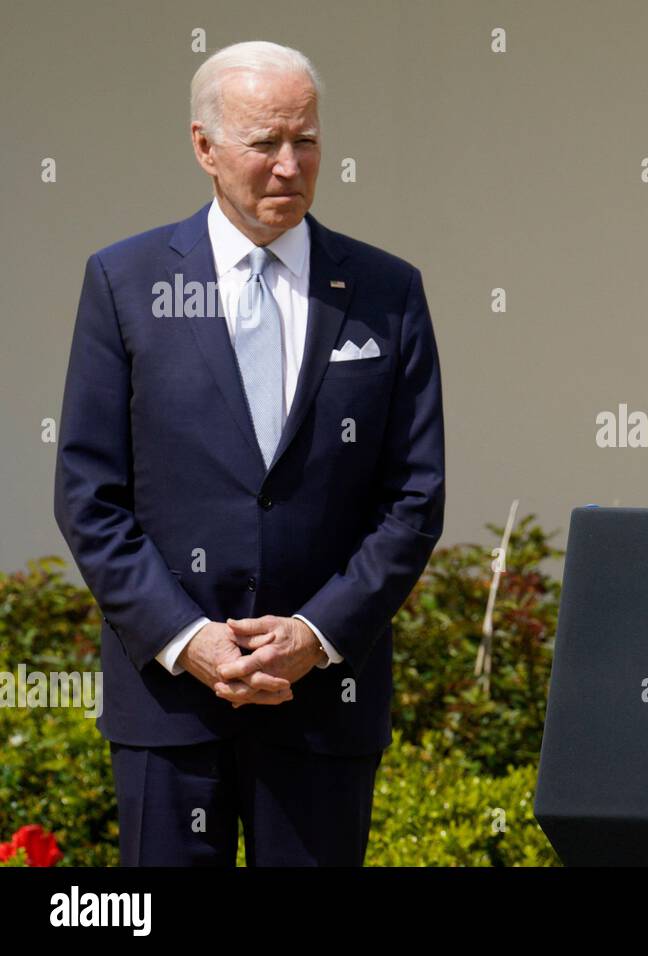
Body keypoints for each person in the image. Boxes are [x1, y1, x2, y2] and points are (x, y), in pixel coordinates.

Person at [52, 41, 446, 865]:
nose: (289, 164)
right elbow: (89, 494)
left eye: (305, 140)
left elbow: (413, 499)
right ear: (205, 147)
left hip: (323, 704)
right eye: (265, 142)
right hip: (170, 707)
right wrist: (186, 637)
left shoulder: (385, 290)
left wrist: (314, 634)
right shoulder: (125, 285)